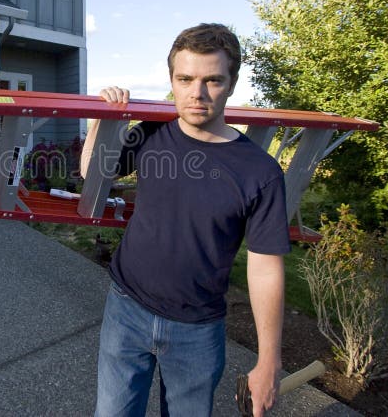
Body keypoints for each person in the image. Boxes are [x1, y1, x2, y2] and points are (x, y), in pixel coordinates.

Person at [81, 23, 290, 417]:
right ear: (172, 81)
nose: (197, 93)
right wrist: (101, 120)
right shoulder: (151, 133)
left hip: (197, 330)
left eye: (212, 79)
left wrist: (268, 362)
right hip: (126, 309)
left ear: (231, 83)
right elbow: (91, 172)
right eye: (185, 78)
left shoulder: (260, 172)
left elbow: (265, 268)